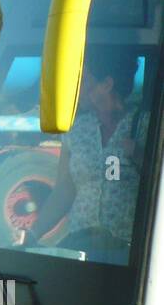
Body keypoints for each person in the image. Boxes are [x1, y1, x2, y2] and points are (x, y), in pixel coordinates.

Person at [20, 46, 145, 262]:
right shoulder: (77, 129)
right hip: (80, 250)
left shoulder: (146, 125)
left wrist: (140, 155)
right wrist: (32, 235)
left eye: (84, 80)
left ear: (106, 84)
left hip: (130, 255)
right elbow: (64, 191)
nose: (77, 88)